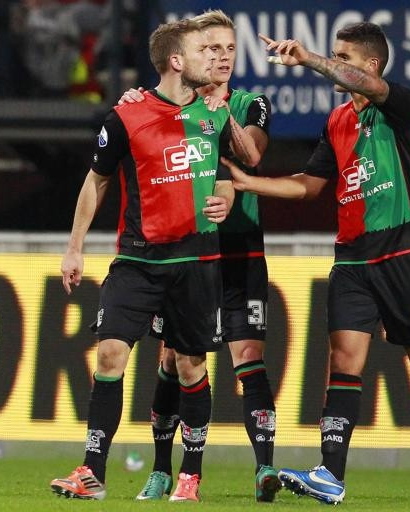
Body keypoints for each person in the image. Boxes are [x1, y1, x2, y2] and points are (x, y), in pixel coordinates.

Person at [223, 22, 410, 506]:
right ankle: (330, 474)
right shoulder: (337, 123)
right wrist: (246, 183)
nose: (335, 63)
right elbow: (308, 185)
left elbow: (369, 87)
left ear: (371, 64)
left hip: (406, 251)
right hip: (352, 259)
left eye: (343, 56)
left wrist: (307, 59)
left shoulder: (401, 106)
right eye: (332, 56)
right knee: (343, 362)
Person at [49, 18, 234, 502]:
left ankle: (189, 477)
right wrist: (75, 246)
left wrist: (227, 193)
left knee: (191, 366)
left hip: (196, 260)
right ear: (177, 61)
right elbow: (98, 180)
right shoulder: (126, 115)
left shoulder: (215, 114)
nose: (213, 57)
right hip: (138, 259)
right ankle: (92, 472)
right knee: (109, 354)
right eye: (202, 50)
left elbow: (225, 170)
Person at [119, 9, 280, 503]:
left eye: (230, 49)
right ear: (189, 56)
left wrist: (218, 108)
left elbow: (252, 153)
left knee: (247, 354)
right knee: (173, 358)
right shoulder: (169, 109)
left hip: (240, 247)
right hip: (186, 250)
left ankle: (265, 470)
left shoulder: (252, 103)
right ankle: (166, 469)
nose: (222, 57)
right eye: (211, 49)